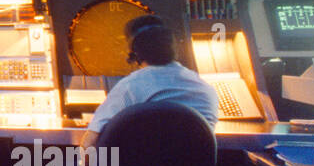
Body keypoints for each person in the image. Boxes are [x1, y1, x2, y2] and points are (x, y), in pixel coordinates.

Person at [80, 14, 218, 148]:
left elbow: (89, 144)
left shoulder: (130, 87)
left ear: (134, 53)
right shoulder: (205, 89)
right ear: (172, 46)